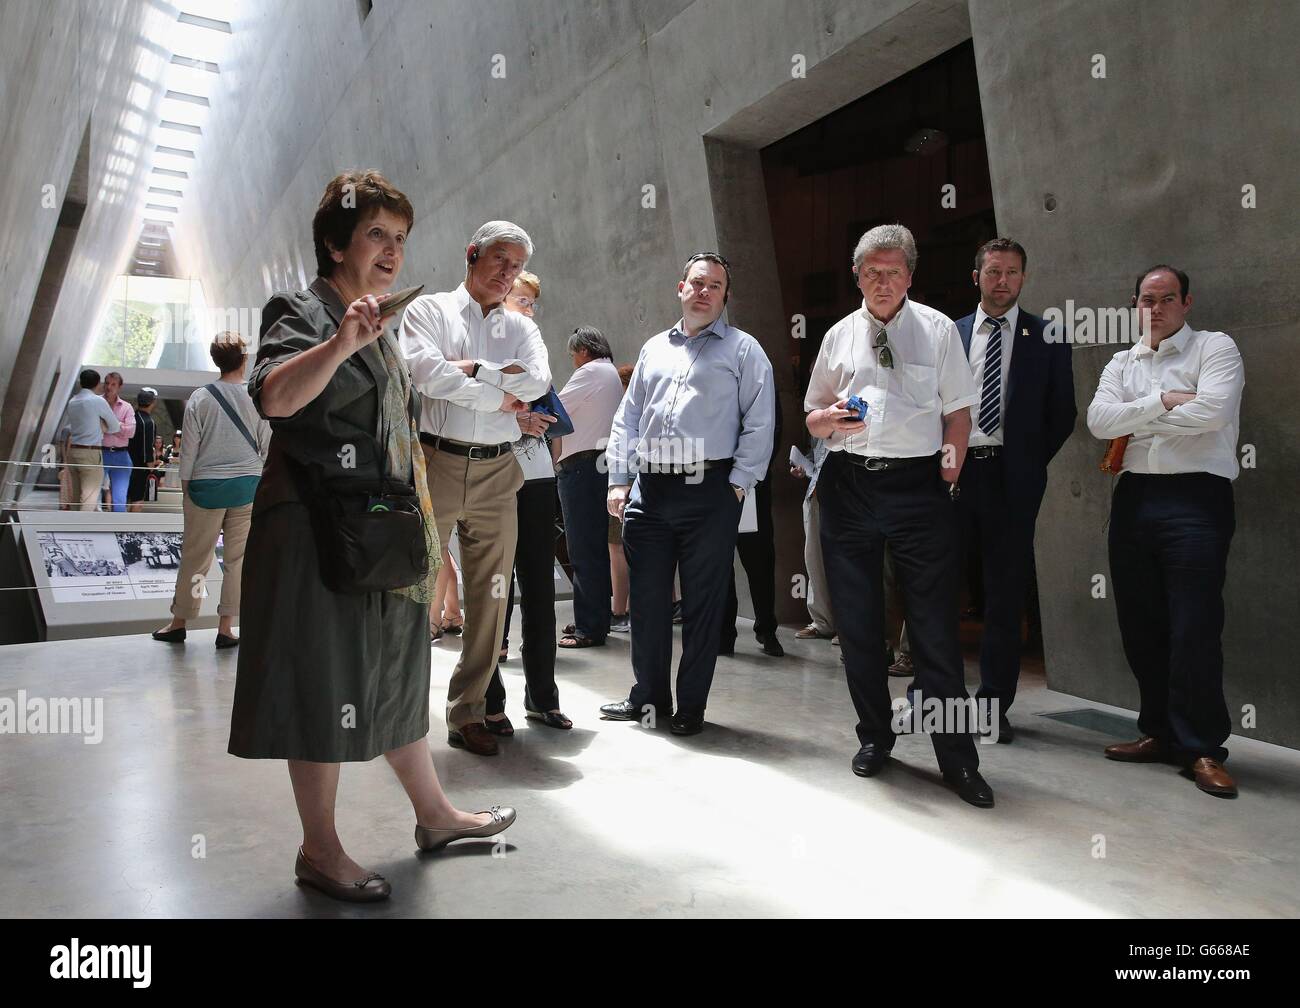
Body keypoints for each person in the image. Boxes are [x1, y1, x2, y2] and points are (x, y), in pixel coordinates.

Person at [228, 171, 514, 903]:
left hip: (380, 527)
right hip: (314, 529)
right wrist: (341, 341)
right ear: (335, 243)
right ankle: (319, 850)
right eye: (377, 235)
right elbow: (274, 398)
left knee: (392, 667)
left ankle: (436, 815)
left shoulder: (383, 319)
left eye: (401, 239)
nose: (392, 251)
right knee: (325, 681)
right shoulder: (302, 309)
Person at [804, 223, 993, 808]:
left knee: (935, 632)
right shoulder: (837, 336)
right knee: (858, 628)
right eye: (870, 272)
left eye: (892, 272)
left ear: (910, 276)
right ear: (857, 275)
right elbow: (812, 417)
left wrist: (944, 478)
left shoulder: (937, 330)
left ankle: (957, 758)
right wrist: (828, 420)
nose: (881, 281)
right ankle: (876, 737)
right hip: (849, 486)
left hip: (919, 488)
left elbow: (959, 415)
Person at [600, 252, 775, 736]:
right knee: (649, 602)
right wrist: (619, 479)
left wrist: (739, 484)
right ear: (681, 287)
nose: (704, 291)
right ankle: (648, 698)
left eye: (715, 285)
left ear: (724, 296)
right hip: (651, 492)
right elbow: (628, 418)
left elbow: (760, 421)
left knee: (703, 605)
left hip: (710, 490)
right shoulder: (655, 348)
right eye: (697, 282)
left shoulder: (744, 351)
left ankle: (690, 708)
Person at [1087, 264, 1244, 798]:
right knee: (1141, 623)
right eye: (1146, 300)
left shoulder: (1214, 349)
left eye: (1167, 298)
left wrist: (1137, 418)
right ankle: (1158, 732)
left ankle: (1201, 748)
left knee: (1194, 626)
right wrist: (1165, 401)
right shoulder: (1120, 360)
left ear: (1187, 302)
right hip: (1135, 499)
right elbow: (1099, 422)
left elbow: (1214, 414)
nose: (1155, 309)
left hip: (1196, 499)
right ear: (1134, 304)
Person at [399, 220, 550, 757]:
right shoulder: (428, 311)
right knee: (413, 591)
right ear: (472, 254)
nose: (508, 274)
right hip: (436, 462)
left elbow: (537, 383)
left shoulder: (522, 328)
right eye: (499, 260)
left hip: (498, 471)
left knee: (490, 597)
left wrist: (477, 370)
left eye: (516, 266)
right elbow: (426, 375)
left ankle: (467, 713)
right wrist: (500, 395)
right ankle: (397, 711)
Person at [954, 238, 1077, 742]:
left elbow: (1062, 414)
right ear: (976, 276)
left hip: (1012, 478)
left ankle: (992, 707)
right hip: (955, 475)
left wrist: (1024, 463)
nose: (1002, 280)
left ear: (1023, 278)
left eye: (1012, 272)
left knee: (1005, 595)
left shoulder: (1047, 335)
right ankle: (939, 697)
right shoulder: (950, 334)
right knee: (940, 587)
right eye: (993, 271)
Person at [485, 272, 571, 732]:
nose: (529, 310)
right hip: (491, 480)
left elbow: (549, 418)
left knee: (539, 592)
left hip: (536, 480)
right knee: (494, 596)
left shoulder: (532, 353)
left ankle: (543, 697)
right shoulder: (478, 347)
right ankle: (489, 702)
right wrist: (514, 422)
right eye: (523, 300)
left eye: (533, 303)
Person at [153, 334, 270, 649]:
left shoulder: (200, 398)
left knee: (196, 558)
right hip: (247, 486)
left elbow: (188, 449)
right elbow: (266, 444)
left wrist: (186, 487)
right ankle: (226, 627)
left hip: (205, 487)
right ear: (244, 359)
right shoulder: (254, 397)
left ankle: (180, 622)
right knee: (237, 559)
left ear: (215, 360)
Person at [555, 325, 624, 648]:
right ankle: (593, 618)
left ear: (583, 350)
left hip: (582, 467)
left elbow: (555, 408)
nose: (573, 361)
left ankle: (590, 628)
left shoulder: (590, 372)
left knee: (583, 550)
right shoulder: (609, 373)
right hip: (599, 466)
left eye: (573, 354)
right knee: (594, 549)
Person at [721, 398, 784, 657]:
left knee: (759, 563)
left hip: (753, 486)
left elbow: (772, 430)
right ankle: (724, 635)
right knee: (720, 564)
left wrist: (754, 470)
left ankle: (767, 629)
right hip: (717, 481)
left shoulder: (759, 375)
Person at [792, 434, 835, 641]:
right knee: (814, 560)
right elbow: (815, 454)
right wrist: (802, 467)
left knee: (847, 564)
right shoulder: (816, 415)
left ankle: (848, 626)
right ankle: (822, 621)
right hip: (815, 490)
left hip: (845, 493)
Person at [59, 369, 121, 511]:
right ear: (97, 384)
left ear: (81, 383)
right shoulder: (97, 401)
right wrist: (102, 427)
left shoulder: (72, 401)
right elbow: (115, 426)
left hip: (73, 451)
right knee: (89, 498)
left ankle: (72, 530)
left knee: (74, 498)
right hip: (90, 453)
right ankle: (82, 531)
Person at [607, 363, 635, 631]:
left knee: (617, 548)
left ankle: (619, 612)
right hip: (646, 481)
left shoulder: (627, 408)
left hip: (627, 483)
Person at [99, 372, 137, 512]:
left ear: (120, 387)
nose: (109, 387)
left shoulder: (126, 407)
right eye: (107, 383)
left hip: (121, 455)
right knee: (93, 495)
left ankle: (119, 530)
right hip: (100, 452)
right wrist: (120, 425)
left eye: (113, 384)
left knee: (119, 498)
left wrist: (109, 425)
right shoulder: (96, 403)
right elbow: (95, 427)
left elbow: (131, 432)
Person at [126, 387, 160, 512]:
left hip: (126, 462)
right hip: (139, 466)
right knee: (137, 499)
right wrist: (151, 468)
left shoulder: (131, 417)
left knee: (125, 497)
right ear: (152, 402)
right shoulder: (148, 422)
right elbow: (148, 448)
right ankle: (131, 528)